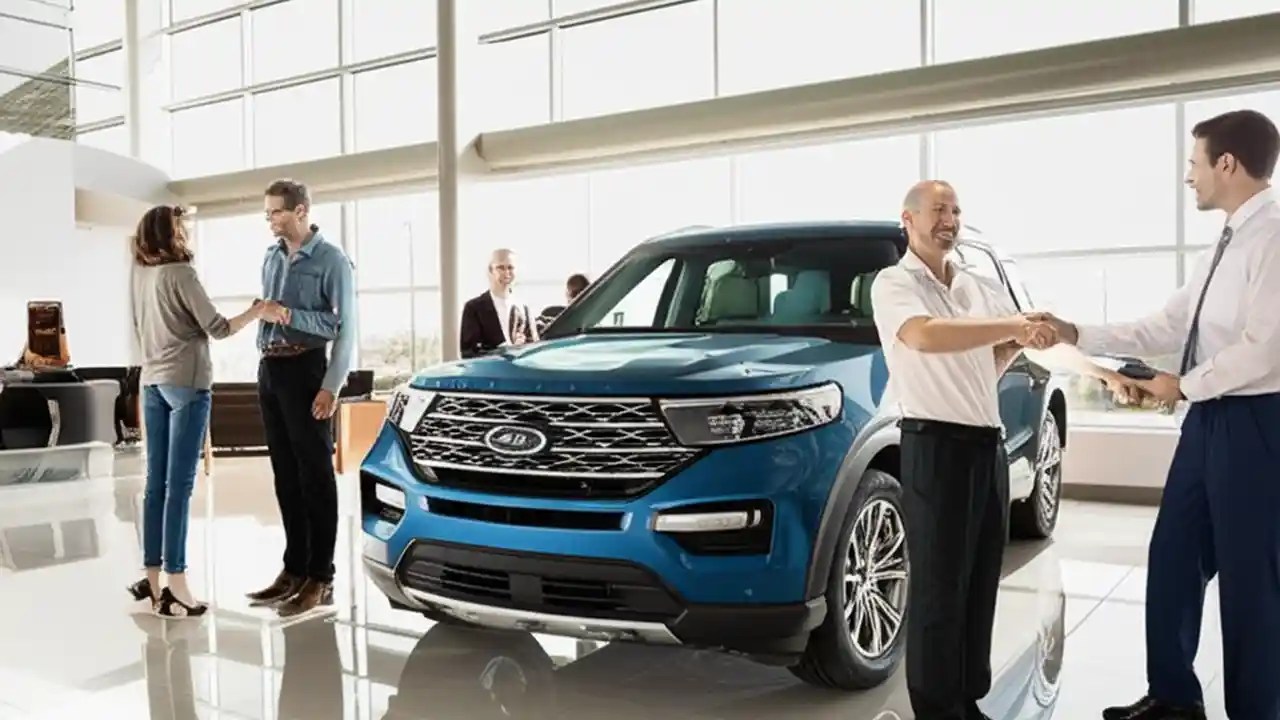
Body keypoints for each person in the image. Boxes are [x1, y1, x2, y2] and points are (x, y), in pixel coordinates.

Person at [1038, 109, 1280, 720]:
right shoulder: (1224, 244)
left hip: (1258, 423)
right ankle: (1173, 697)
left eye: (1193, 164)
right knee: (1174, 554)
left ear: (1227, 163)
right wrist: (1078, 331)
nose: (1188, 177)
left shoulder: (1275, 235)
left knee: (1252, 583)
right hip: (1207, 423)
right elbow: (1168, 324)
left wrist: (1183, 386)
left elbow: (1267, 347)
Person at [871, 180, 1134, 720]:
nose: (950, 219)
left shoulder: (974, 285)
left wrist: (1100, 373)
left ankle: (968, 699)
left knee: (977, 583)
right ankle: (938, 710)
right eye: (939, 210)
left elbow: (993, 358)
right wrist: (1012, 326)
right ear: (909, 219)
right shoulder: (894, 284)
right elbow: (924, 336)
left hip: (983, 445)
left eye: (957, 210)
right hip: (935, 446)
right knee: (939, 591)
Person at [125, 205, 262, 617]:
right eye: (180, 226)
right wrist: (257, 310)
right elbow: (218, 327)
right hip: (186, 383)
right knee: (179, 488)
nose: (185, 231)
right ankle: (178, 585)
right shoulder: (180, 273)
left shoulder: (143, 276)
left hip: (151, 383)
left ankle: (151, 581)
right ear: (171, 233)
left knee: (155, 485)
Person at [245, 179, 357, 617]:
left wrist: (331, 385)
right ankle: (293, 570)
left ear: (302, 210)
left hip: (308, 370)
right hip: (270, 369)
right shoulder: (271, 257)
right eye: (268, 213)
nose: (270, 220)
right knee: (285, 474)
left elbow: (342, 326)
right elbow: (268, 313)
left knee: (315, 476)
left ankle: (320, 577)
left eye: (276, 212)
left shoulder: (333, 261)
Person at [460, 249, 538, 358]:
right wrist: (504, 351)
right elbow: (468, 352)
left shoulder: (524, 308)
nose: (506, 273)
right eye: (501, 268)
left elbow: (535, 349)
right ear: (491, 270)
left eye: (510, 268)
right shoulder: (474, 308)